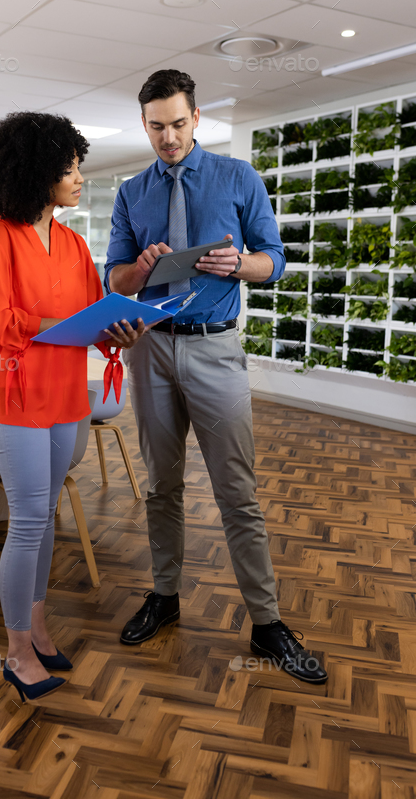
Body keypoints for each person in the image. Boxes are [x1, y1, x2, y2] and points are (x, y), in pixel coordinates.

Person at [104, 70, 327, 685]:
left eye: (178, 123)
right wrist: (140, 268)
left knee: (237, 491)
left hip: (215, 350)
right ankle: (165, 595)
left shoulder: (238, 178)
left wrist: (243, 265)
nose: (168, 137)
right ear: (144, 124)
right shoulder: (131, 192)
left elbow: (275, 259)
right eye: (156, 126)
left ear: (197, 118)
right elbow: (113, 279)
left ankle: (266, 621)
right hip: (151, 349)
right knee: (160, 487)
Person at [0, 111, 146, 703]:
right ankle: (16, 652)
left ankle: (38, 625)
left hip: (68, 394)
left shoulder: (73, 243)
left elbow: (92, 317)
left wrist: (115, 331)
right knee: (26, 521)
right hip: (17, 394)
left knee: (45, 516)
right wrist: (70, 326)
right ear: (37, 171)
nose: (78, 177)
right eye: (70, 167)